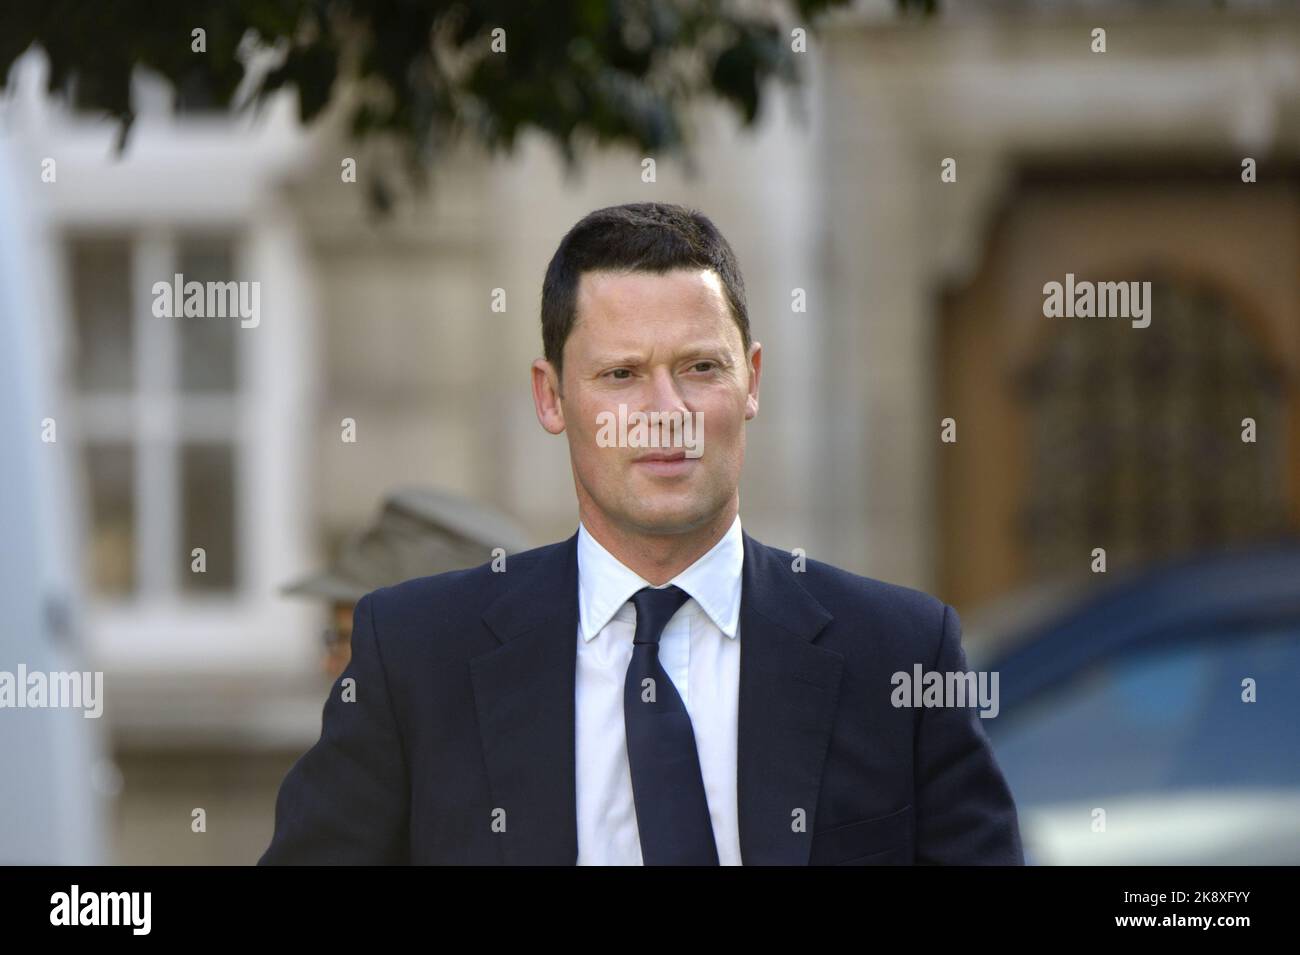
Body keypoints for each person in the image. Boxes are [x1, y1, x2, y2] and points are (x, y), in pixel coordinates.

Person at [260, 201, 1024, 865]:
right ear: (552, 396)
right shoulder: (415, 656)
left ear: (751, 380)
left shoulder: (899, 651)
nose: (666, 411)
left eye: (698, 367)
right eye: (621, 375)